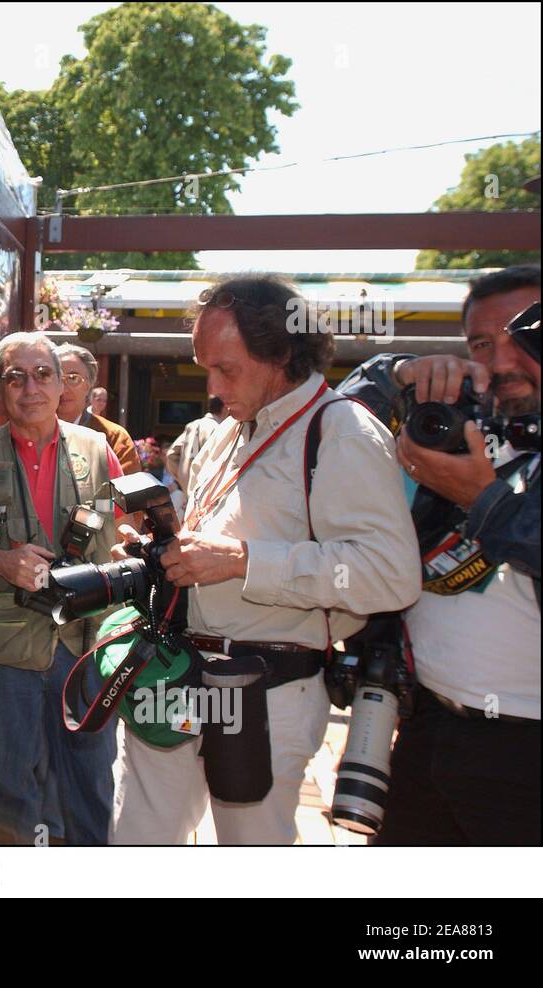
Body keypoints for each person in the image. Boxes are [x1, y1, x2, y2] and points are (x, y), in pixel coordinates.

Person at [112, 275, 421, 845]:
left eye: (225, 368)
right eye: (204, 365)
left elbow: (391, 574)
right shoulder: (229, 428)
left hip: (268, 694)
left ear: (281, 353)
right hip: (176, 676)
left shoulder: (344, 432)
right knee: (137, 844)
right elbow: (205, 529)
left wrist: (241, 560)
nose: (211, 385)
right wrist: (161, 555)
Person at [338, 264, 540, 844]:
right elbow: (336, 419)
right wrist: (402, 371)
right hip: (430, 725)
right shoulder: (462, 426)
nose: (502, 360)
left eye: (524, 337)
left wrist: (482, 499)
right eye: (483, 343)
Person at [0, 332, 124, 845]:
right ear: (0, 388)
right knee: (8, 791)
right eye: (15, 377)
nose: (30, 387)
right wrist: (1, 562)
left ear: (63, 384)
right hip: (3, 653)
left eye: (42, 374)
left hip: (85, 647)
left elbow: (124, 534)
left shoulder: (99, 452)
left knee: (90, 786)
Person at [56, 343, 142, 474]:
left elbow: (127, 491)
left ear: (89, 385)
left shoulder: (113, 437)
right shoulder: (29, 431)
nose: (64, 389)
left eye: (73, 378)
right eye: (56, 378)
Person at [167, 395, 226, 511]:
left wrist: (180, 480)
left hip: (186, 489)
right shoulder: (219, 429)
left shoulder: (193, 425)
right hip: (204, 492)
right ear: (224, 408)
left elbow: (171, 454)